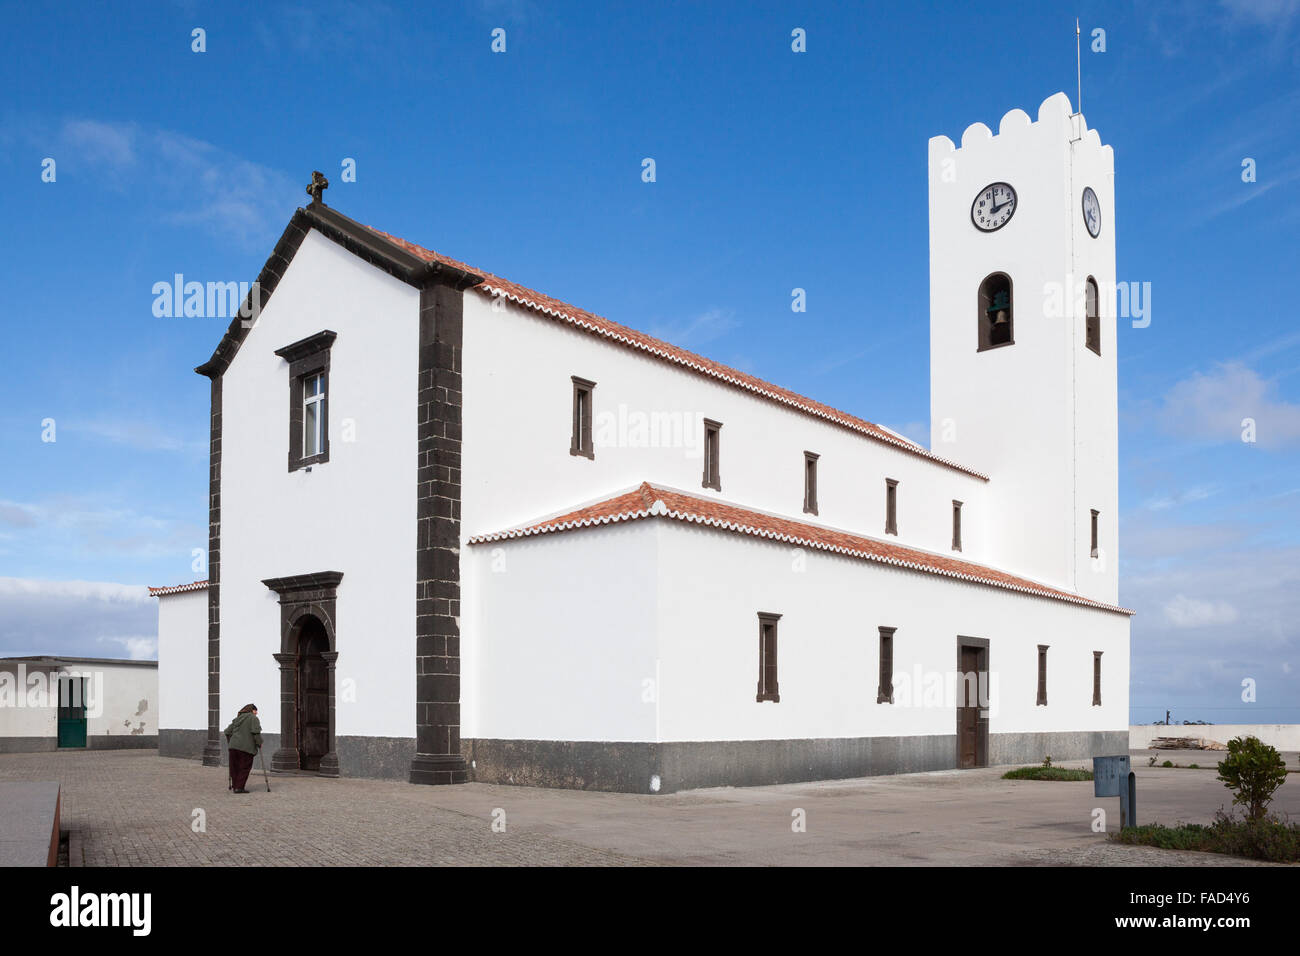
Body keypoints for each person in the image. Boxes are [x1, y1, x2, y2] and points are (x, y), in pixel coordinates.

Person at [224, 704, 263, 794]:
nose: (256, 713)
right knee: (244, 767)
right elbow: (256, 733)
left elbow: (227, 731)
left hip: (233, 747)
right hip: (246, 748)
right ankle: (239, 787)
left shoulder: (238, 718)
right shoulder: (253, 718)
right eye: (255, 710)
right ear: (251, 710)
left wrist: (231, 742)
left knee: (235, 767)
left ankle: (235, 786)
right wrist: (259, 743)